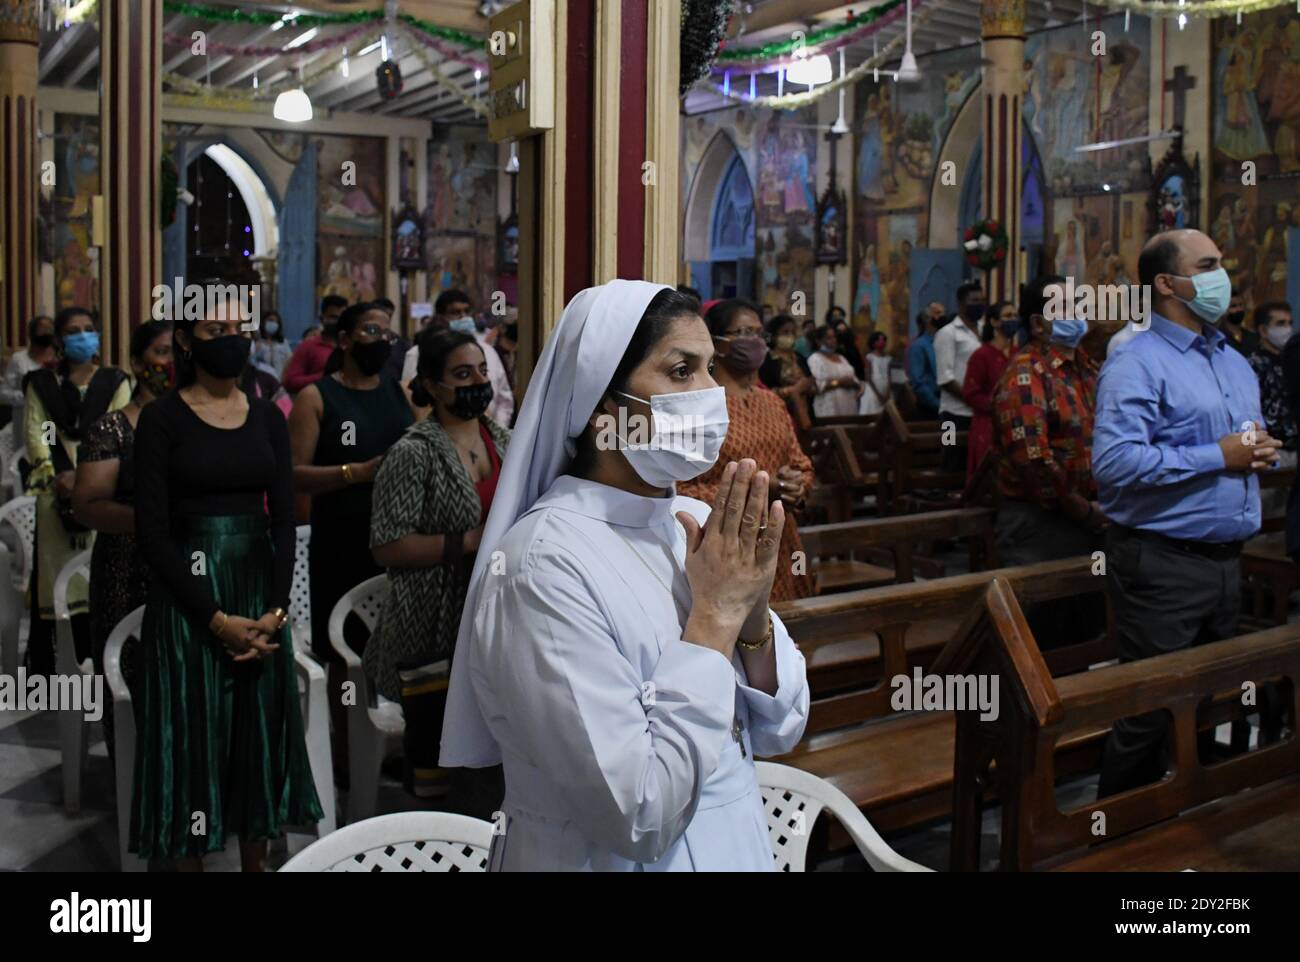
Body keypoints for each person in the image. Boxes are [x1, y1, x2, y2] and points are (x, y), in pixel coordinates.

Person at [439, 281, 809, 871]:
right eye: (681, 371)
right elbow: (637, 814)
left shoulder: (697, 522)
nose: (713, 393)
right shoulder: (541, 564)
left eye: (710, 368)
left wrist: (752, 614)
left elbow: (781, 727)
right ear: (605, 409)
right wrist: (714, 616)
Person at [130, 298, 322, 869]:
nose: (232, 339)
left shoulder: (267, 416)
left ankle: (254, 864)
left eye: (240, 328)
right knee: (194, 740)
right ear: (187, 340)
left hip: (258, 597)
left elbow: (286, 518)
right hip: (191, 602)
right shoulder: (162, 419)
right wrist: (216, 619)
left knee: (255, 738)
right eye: (216, 329)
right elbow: (152, 532)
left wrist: (275, 612)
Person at [1093, 230, 1279, 799]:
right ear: (1168, 284)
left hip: (1225, 558)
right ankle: (1112, 841)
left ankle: (1183, 830)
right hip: (1163, 562)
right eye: (1209, 264)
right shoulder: (1138, 359)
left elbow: (1235, 438)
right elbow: (1115, 462)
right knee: (1149, 711)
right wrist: (1218, 455)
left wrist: (1254, 449)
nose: (1225, 274)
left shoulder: (1231, 359)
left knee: (1204, 701)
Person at [365, 330, 510, 802]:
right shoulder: (415, 451)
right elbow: (388, 546)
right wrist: (468, 542)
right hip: (430, 622)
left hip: (497, 615)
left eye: (483, 372)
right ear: (432, 384)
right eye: (462, 374)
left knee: (494, 757)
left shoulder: (506, 440)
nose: (477, 383)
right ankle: (435, 841)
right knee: (438, 759)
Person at [288, 301, 414, 759]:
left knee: (396, 644)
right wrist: (354, 472)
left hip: (395, 537)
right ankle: (345, 752)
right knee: (344, 653)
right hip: (340, 537)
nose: (380, 340)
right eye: (369, 331)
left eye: (386, 332)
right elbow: (294, 474)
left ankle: (395, 748)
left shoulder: (399, 392)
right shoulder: (317, 398)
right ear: (343, 340)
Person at [71, 320, 172, 758]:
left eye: (178, 352)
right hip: (126, 572)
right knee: (132, 681)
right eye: (162, 352)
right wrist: (153, 523)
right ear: (136, 362)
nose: (172, 362)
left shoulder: (196, 423)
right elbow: (88, 505)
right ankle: (133, 782)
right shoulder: (111, 429)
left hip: (186, 568)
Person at [991, 276, 1104, 645]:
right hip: (1041, 522)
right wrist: (1083, 509)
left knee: (1086, 628)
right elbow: (1033, 461)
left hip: (1091, 516)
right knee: (1043, 637)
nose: (1078, 313)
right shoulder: (1026, 372)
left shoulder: (1088, 369)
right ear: (1039, 323)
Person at [681, 299, 814, 602]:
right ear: (718, 343)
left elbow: (802, 464)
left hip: (781, 538)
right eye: (742, 332)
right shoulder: (699, 406)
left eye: (758, 333)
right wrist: (760, 489)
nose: (754, 341)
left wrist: (797, 486)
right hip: (725, 542)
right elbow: (681, 489)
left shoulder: (772, 403)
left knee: (784, 635)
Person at [23, 307, 131, 675]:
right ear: (60, 340)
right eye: (73, 331)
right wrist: (58, 474)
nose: (82, 336)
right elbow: (41, 432)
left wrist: (86, 480)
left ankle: (105, 665)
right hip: (56, 491)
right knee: (58, 582)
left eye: (89, 329)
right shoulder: (44, 385)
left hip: (104, 489)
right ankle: (61, 669)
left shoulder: (113, 382)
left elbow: (119, 431)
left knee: (101, 579)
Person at [403, 290, 514, 428]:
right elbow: (413, 399)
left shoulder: (488, 351)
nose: (463, 317)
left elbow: (504, 400)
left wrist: (497, 429)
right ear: (441, 317)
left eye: (467, 311)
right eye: (455, 312)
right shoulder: (418, 353)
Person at [1248, 301, 1295, 531]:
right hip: (1272, 448)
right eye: (1280, 323)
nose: (1287, 329)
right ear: (1263, 330)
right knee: (1268, 515)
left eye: (1290, 323)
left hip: (1295, 445)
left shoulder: (1291, 361)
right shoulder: (1252, 366)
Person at [963, 301, 1019, 478]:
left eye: (1015, 316)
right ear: (994, 322)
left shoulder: (1018, 353)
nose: (1013, 320)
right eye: (1008, 316)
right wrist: (998, 405)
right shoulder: (982, 355)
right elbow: (971, 393)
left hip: (1014, 425)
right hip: (987, 425)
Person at [934, 281, 985, 472]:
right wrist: (973, 399)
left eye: (981, 300)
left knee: (976, 463)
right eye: (974, 300)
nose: (979, 304)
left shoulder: (984, 329)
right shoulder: (947, 334)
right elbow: (945, 379)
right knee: (951, 458)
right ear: (961, 303)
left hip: (978, 413)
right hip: (952, 413)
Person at [2, 315, 57, 431]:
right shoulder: (19, 359)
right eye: (43, 330)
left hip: (51, 425)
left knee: (49, 446)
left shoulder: (59, 359)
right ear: (32, 335)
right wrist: (29, 397)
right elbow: (3, 393)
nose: (47, 333)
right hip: (24, 423)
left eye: (50, 330)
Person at [282, 295, 346, 394]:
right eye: (333, 317)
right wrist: (325, 376)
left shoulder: (350, 346)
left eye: (341, 318)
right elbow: (290, 381)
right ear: (322, 318)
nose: (337, 322)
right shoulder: (308, 346)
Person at [806, 325, 861, 418]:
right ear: (819, 341)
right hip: (829, 406)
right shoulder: (815, 359)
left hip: (848, 404)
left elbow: (854, 378)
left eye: (834, 337)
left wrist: (855, 383)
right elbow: (818, 385)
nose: (833, 340)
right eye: (828, 338)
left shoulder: (842, 358)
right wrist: (838, 383)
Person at [759, 314, 813, 404]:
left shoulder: (799, 357)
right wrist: (793, 390)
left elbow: (810, 380)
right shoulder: (766, 360)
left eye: (793, 332)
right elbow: (763, 390)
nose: (790, 336)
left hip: (804, 407)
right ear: (774, 335)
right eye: (785, 332)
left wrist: (810, 385)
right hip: (778, 407)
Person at [906, 306, 945, 418]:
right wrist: (938, 405)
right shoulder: (919, 346)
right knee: (942, 435)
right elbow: (918, 382)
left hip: (950, 402)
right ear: (928, 319)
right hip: (931, 406)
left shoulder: (946, 342)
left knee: (951, 435)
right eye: (938, 313)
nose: (942, 317)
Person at [372, 296, 412, 384]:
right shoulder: (365, 341)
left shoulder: (400, 343)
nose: (385, 319)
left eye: (389, 315)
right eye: (381, 315)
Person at [858, 332, 893, 416]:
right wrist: (878, 394)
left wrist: (888, 392)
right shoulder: (870, 357)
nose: (882, 342)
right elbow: (868, 377)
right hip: (873, 389)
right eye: (879, 340)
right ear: (873, 343)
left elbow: (889, 375)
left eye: (883, 340)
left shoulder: (888, 358)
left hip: (885, 387)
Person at [252, 310, 291, 379]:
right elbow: (252, 362)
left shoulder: (283, 342)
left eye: (276, 322)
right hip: (262, 381)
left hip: (280, 380)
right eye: (270, 320)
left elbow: (289, 361)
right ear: (263, 322)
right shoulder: (256, 343)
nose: (273, 324)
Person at [1219, 288, 1258, 357]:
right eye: (1233, 306)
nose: (1239, 309)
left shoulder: (1253, 337)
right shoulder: (1217, 337)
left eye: (1241, 305)